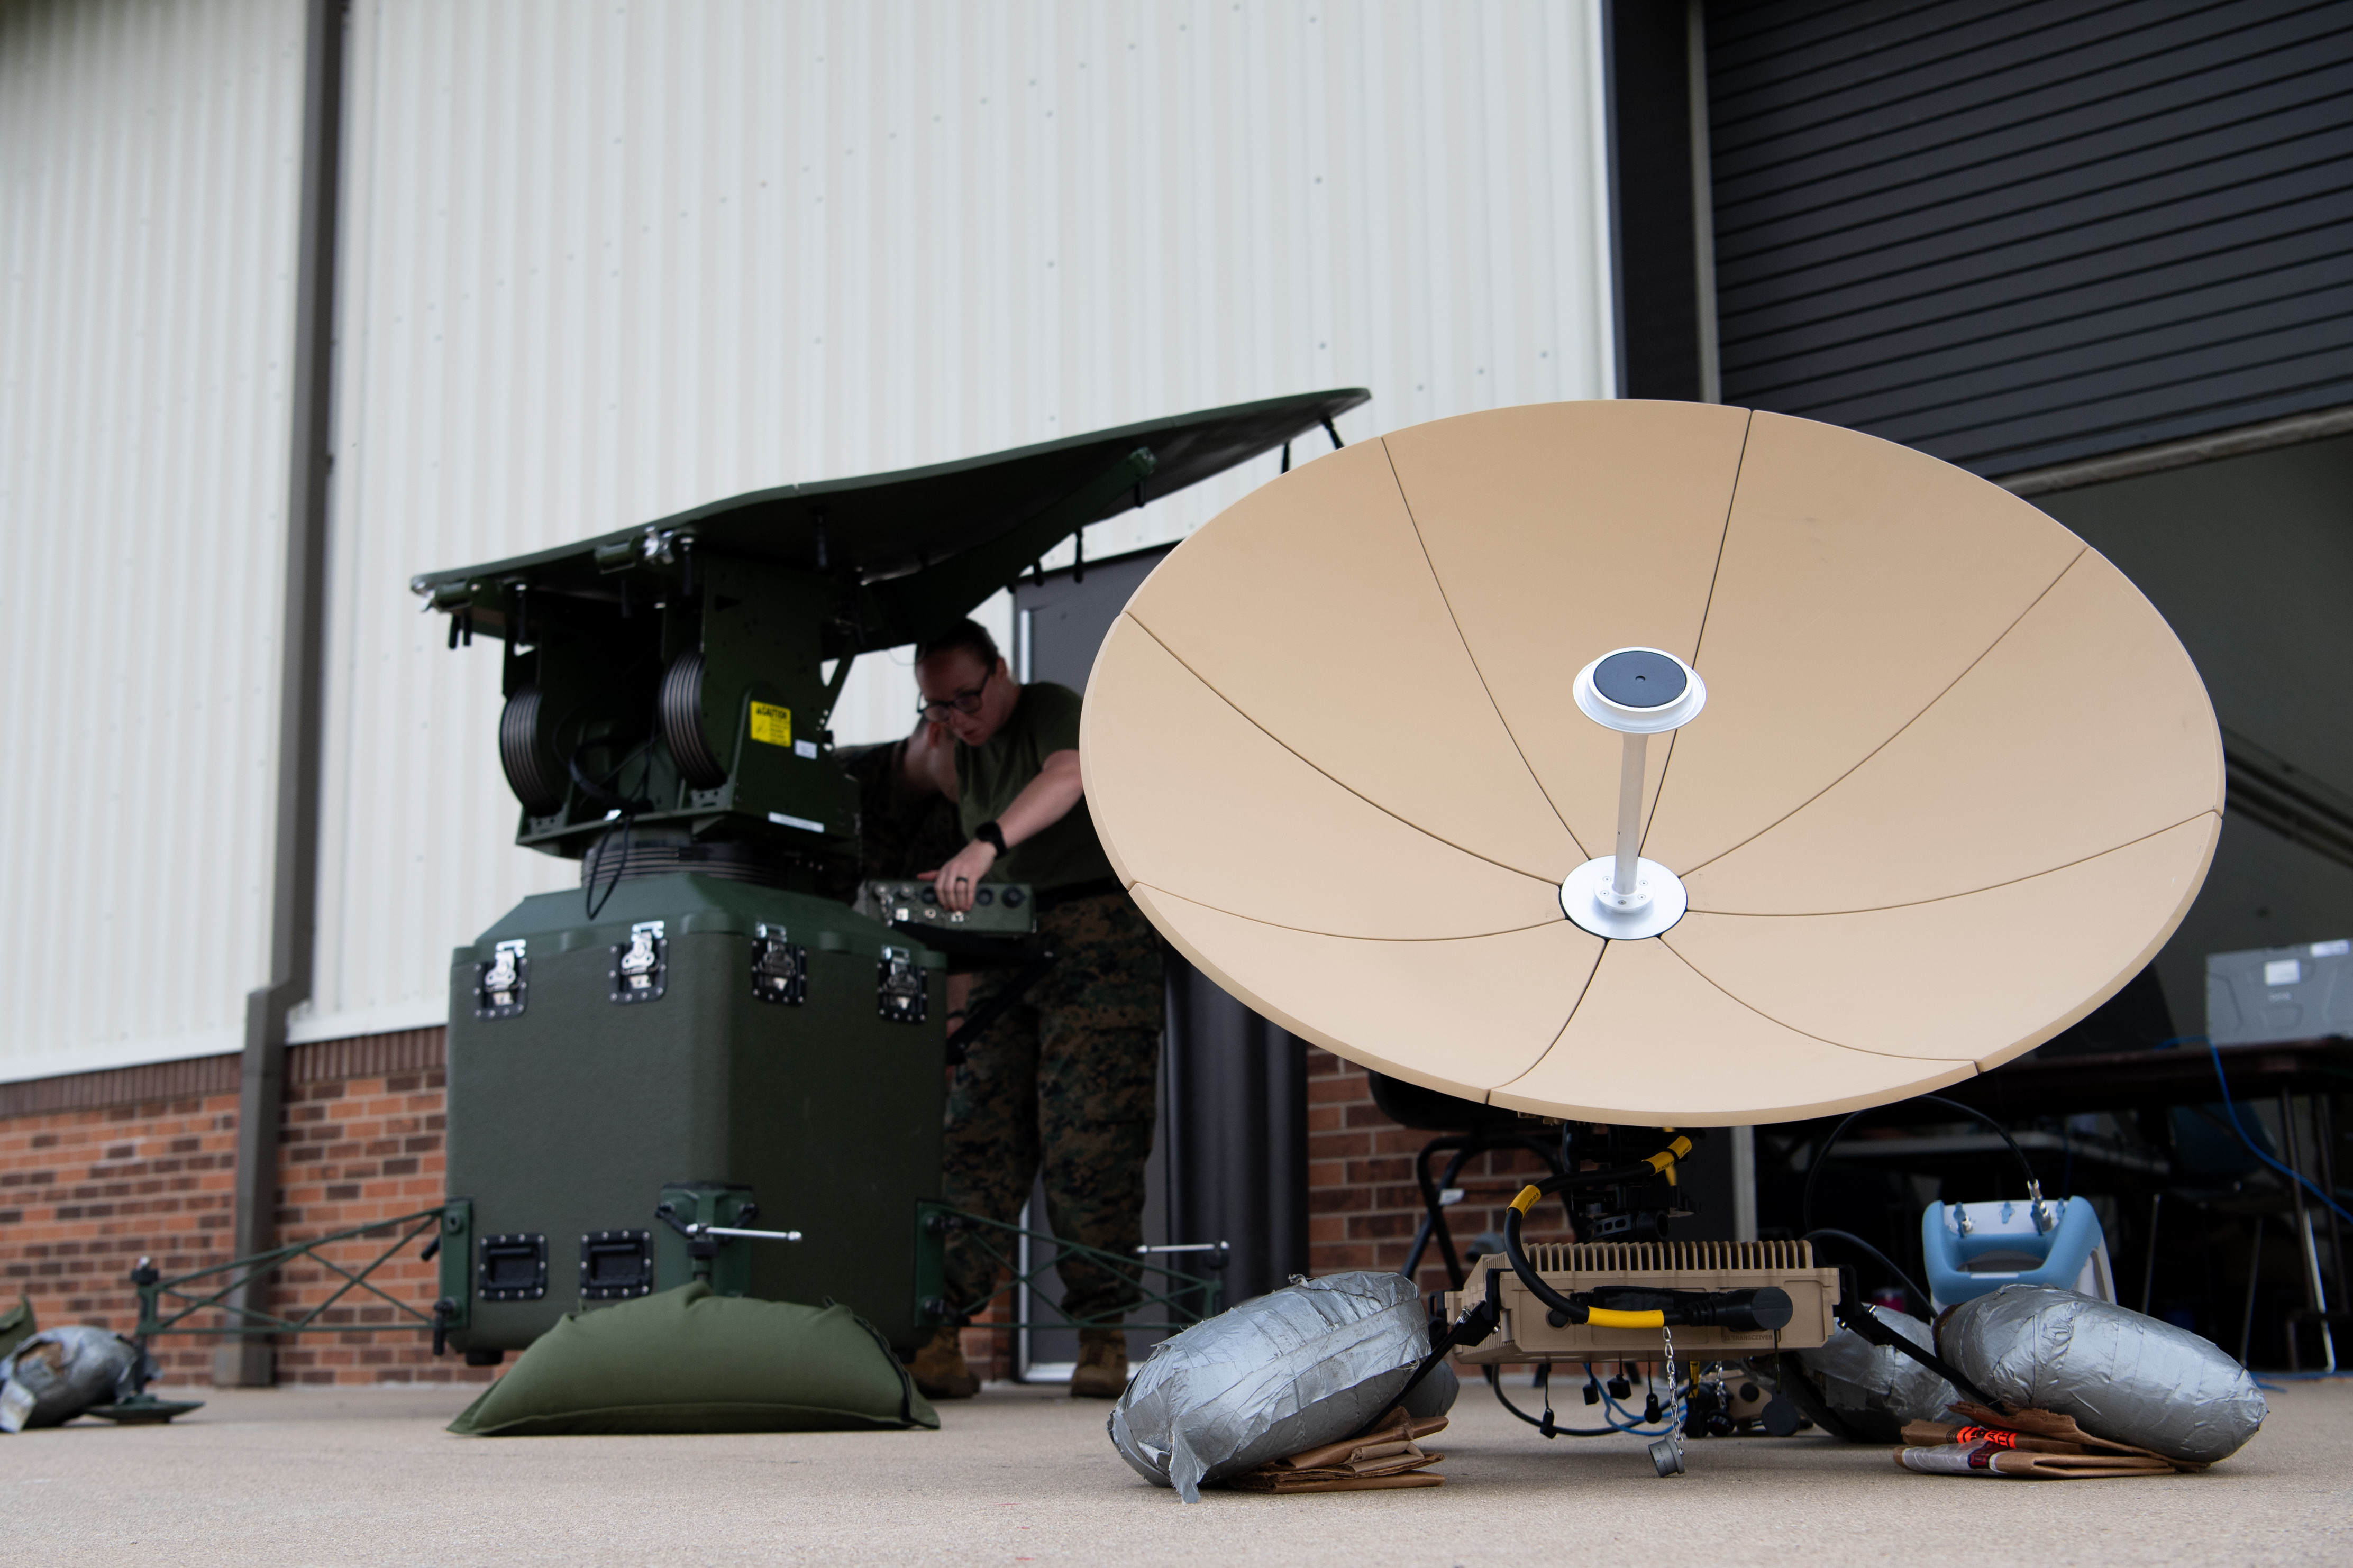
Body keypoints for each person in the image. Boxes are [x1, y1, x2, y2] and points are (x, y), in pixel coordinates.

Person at [899, 618, 1163, 1401]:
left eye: (967, 698)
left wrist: (983, 843)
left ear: (1002, 673)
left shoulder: (1048, 706)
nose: (957, 717)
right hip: (1011, 940)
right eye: (937, 707)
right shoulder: (958, 747)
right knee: (978, 1129)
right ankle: (940, 1331)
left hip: (1100, 933)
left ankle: (1103, 1334)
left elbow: (1071, 771)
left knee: (1091, 1132)